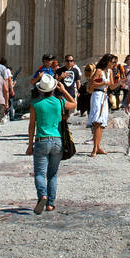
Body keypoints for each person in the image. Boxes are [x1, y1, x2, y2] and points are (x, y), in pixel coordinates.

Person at [27, 73, 76, 213]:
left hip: (41, 140)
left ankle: (42, 195)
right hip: (57, 140)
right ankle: (50, 203)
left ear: (41, 90)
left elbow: (31, 126)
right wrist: (64, 90)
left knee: (39, 173)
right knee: (53, 174)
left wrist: (30, 145)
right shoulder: (60, 102)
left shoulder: (35, 104)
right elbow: (74, 104)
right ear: (53, 88)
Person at [86, 54, 112, 155]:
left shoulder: (109, 72)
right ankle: (95, 147)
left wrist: (120, 82)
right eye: (112, 62)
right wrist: (104, 82)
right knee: (97, 121)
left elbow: (112, 85)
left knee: (102, 122)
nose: (114, 64)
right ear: (107, 62)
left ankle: (98, 146)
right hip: (97, 95)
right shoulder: (99, 71)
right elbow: (93, 83)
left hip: (104, 97)